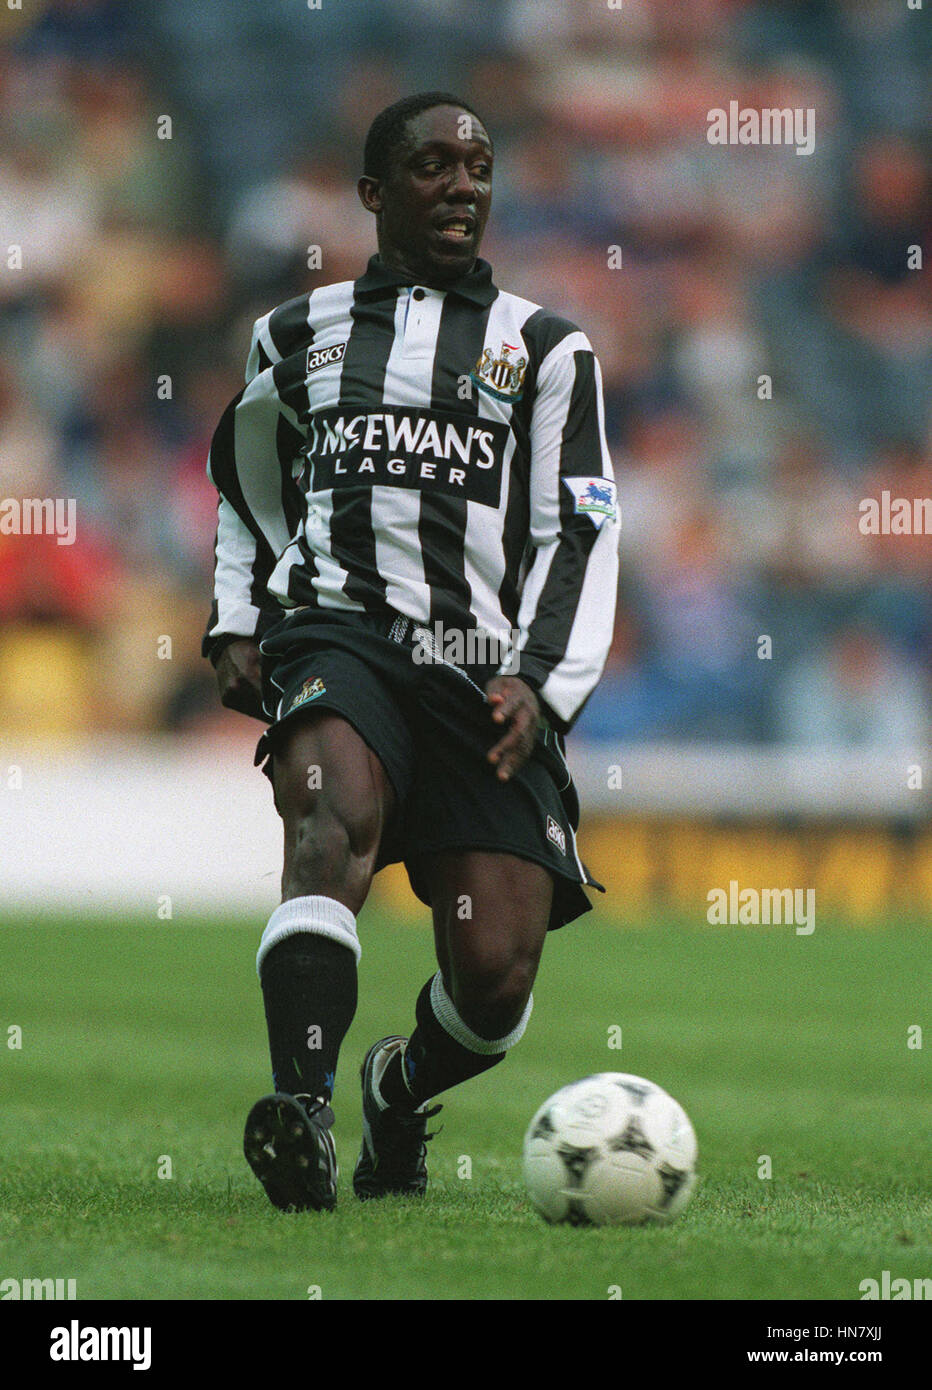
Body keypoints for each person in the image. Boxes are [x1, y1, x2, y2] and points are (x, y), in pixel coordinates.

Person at [203, 92, 619, 1212]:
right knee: (323, 813)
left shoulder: (544, 349)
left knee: (494, 975)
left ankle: (396, 1085)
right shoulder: (292, 335)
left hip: (481, 666)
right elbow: (248, 484)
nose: (461, 186)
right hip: (341, 631)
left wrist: (542, 679)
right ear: (376, 195)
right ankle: (303, 1111)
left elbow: (581, 523)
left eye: (477, 167)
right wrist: (236, 616)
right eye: (432, 167)